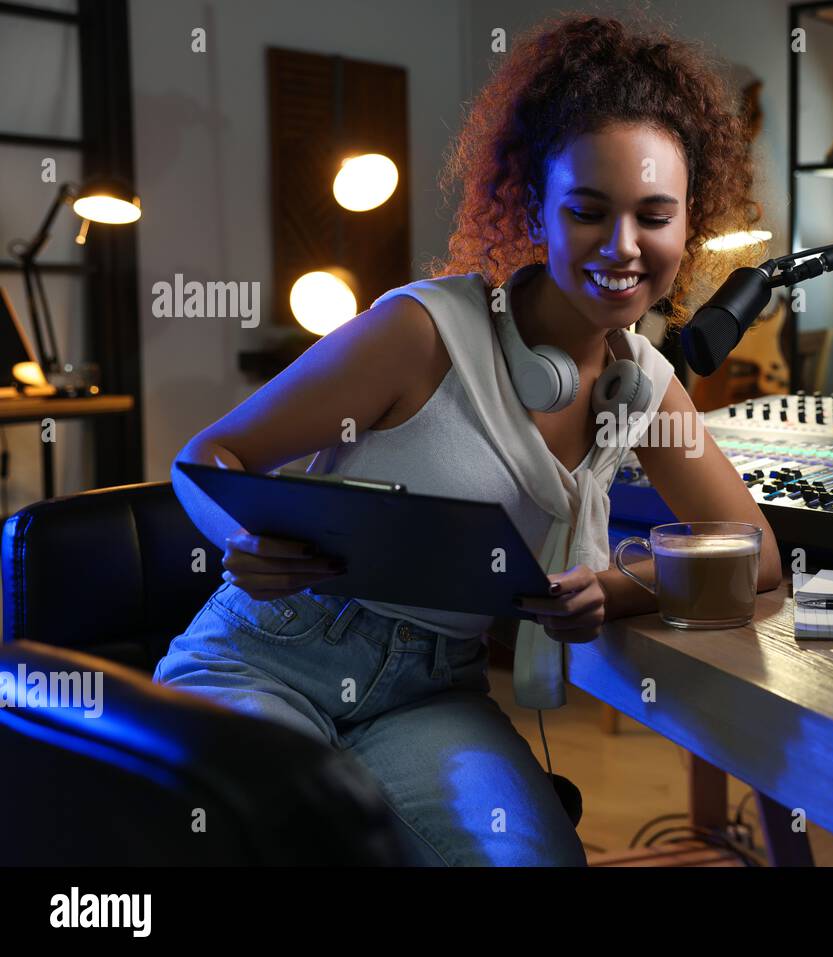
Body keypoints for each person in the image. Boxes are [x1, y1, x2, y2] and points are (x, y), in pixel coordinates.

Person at [156, 12, 782, 866]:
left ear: (690, 225)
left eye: (655, 216)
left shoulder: (647, 382)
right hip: (268, 657)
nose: (624, 246)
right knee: (281, 841)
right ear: (538, 208)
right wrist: (239, 539)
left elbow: (754, 554)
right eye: (589, 211)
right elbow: (206, 457)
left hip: (431, 690)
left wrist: (614, 587)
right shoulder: (419, 333)